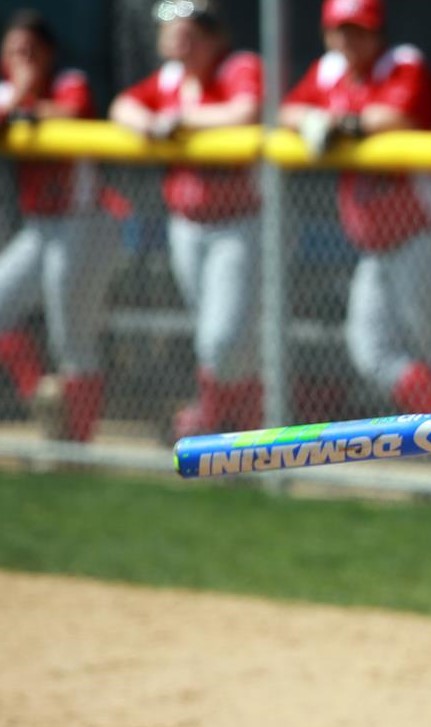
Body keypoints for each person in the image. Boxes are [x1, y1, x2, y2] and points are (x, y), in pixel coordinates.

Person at [278, 0, 431, 425]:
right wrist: (318, 120)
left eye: (359, 29)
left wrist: (336, 124)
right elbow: (286, 111)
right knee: (371, 349)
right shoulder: (329, 71)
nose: (348, 40)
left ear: (378, 32)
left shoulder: (403, 64)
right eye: (340, 30)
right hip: (383, 241)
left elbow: (393, 117)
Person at [111, 0, 261, 440]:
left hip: (242, 224)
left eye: (191, 27)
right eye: (173, 26)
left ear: (214, 35)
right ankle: (237, 435)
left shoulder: (238, 65)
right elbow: (122, 106)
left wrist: (182, 121)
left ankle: (214, 425)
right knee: (214, 338)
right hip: (188, 225)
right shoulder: (171, 79)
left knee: (223, 338)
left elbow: (246, 111)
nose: (178, 34)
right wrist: (153, 122)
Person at [0, 9, 121, 442]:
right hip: (40, 226)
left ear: (49, 52)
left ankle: (78, 441)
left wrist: (27, 98)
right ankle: (44, 399)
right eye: (14, 51)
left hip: (84, 222)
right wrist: (22, 94)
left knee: (73, 335)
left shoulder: (71, 79)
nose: (23, 59)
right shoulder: (7, 90)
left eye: (32, 51)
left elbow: (72, 112)